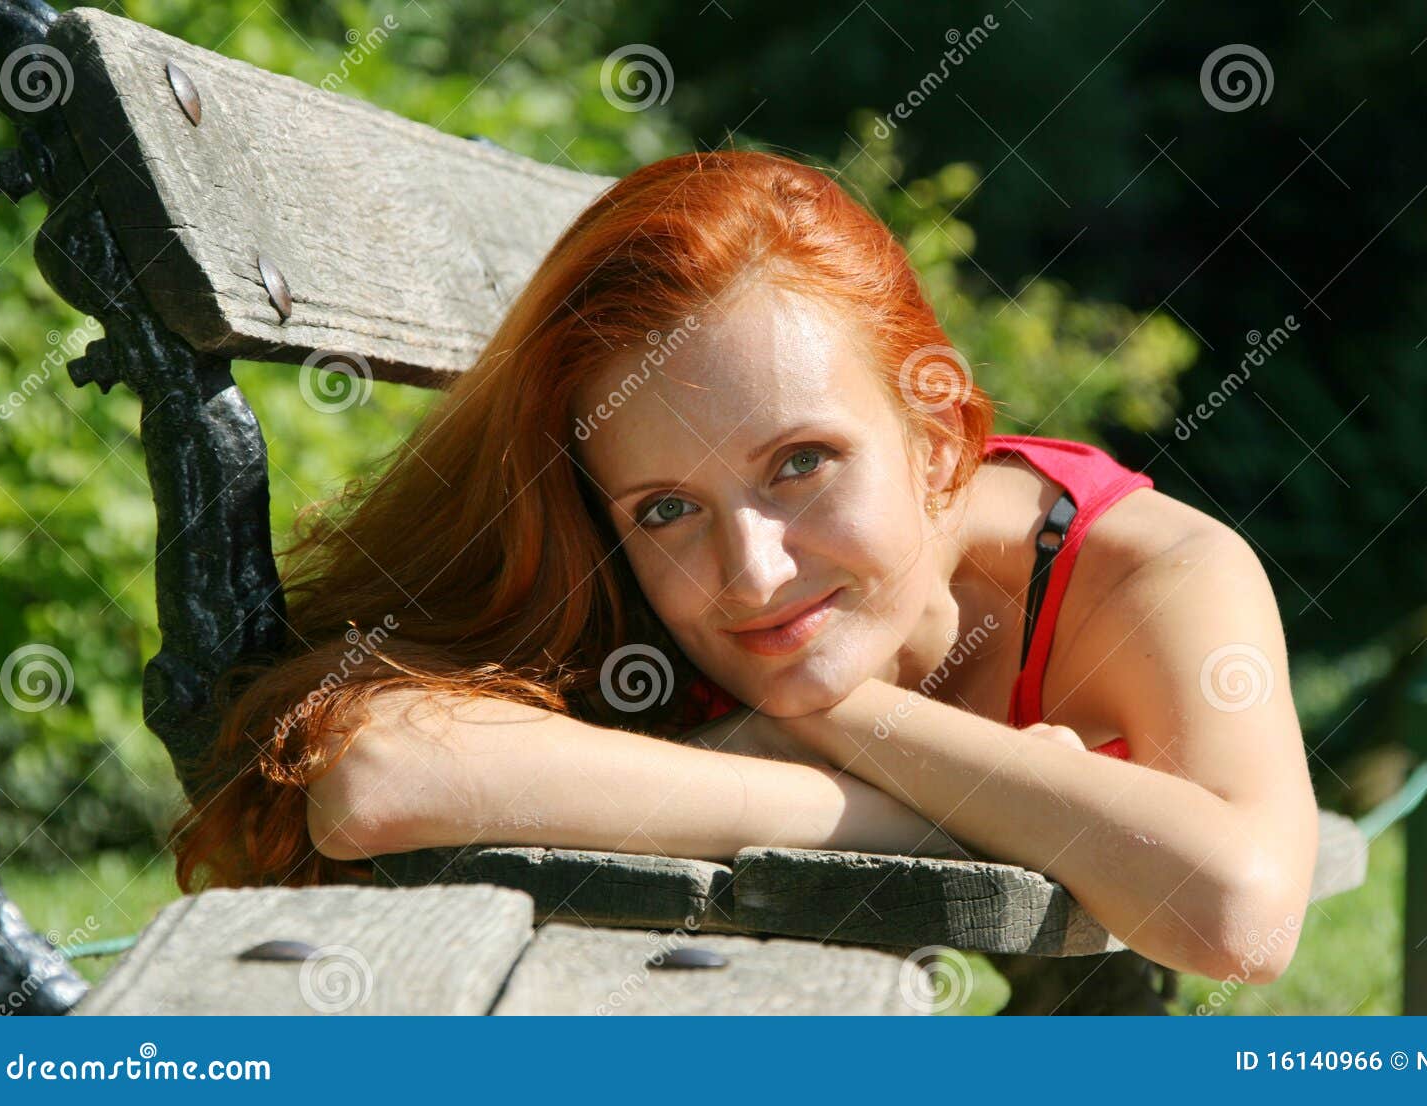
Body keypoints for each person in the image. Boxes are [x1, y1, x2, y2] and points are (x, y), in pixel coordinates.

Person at [172, 149, 1318, 1003]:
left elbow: (1238, 913)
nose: (752, 571)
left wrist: (819, 720)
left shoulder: (1149, 572)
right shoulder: (612, 577)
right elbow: (373, 774)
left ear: (934, 441)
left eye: (802, 463)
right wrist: (899, 794)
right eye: (666, 507)